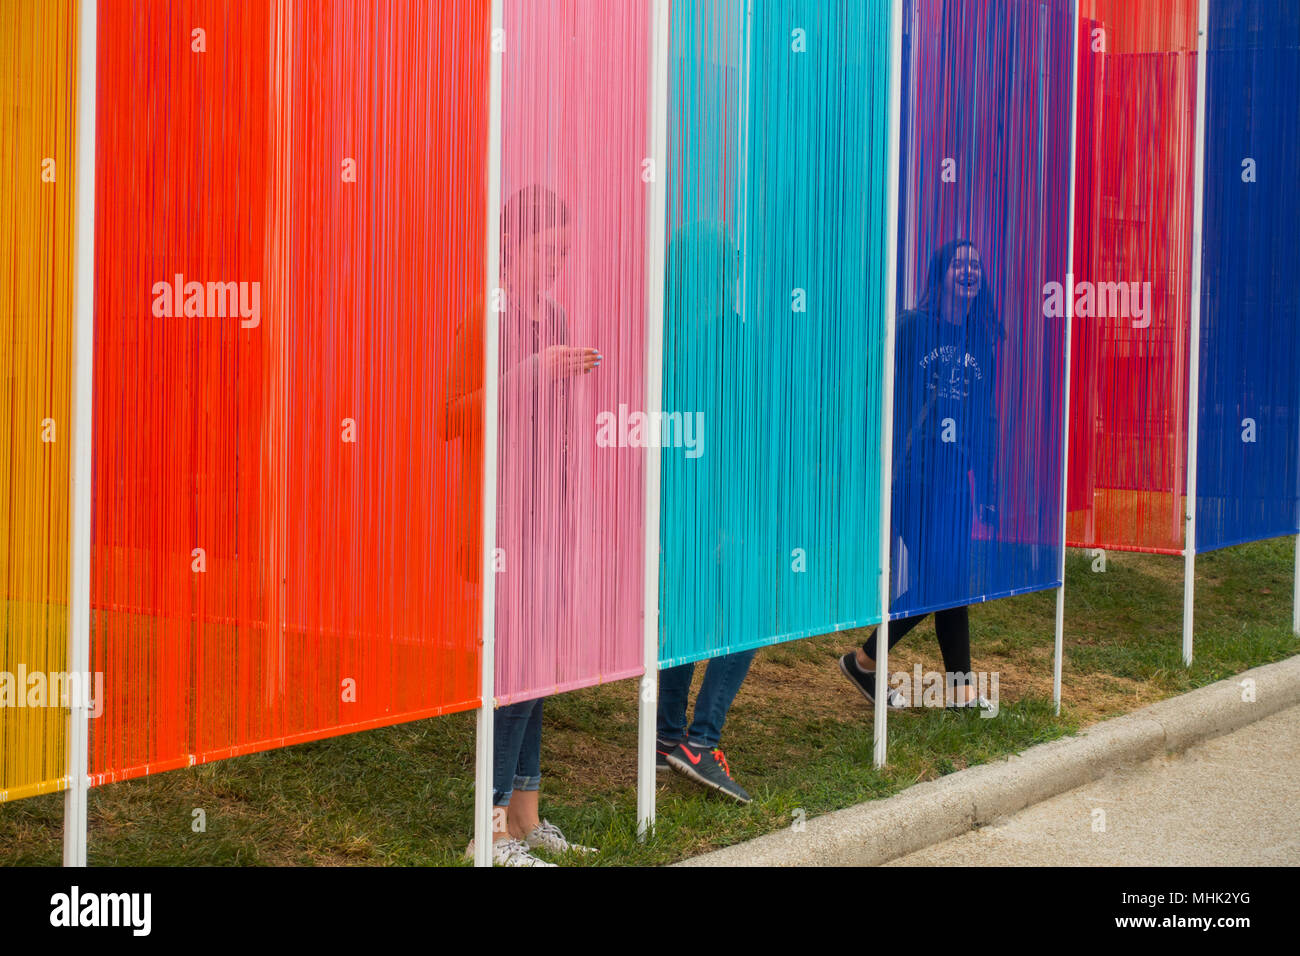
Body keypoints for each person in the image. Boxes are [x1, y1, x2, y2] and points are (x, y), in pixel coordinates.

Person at [444, 185, 601, 866]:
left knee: (539, 669)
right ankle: (491, 830)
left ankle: (529, 816)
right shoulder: (488, 312)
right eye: (547, 250)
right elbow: (450, 415)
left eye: (565, 251)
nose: (557, 263)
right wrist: (532, 371)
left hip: (548, 517)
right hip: (504, 519)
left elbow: (554, 428)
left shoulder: (558, 314)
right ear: (512, 245)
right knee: (513, 670)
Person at [840, 239, 999, 712]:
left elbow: (985, 417)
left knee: (948, 576)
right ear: (941, 273)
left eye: (976, 264)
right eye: (959, 263)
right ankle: (871, 662)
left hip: (954, 478)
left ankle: (952, 685)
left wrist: (988, 485)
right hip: (910, 474)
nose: (969, 271)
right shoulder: (912, 327)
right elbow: (869, 382)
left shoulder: (980, 341)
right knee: (942, 576)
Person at [655, 222, 756, 804]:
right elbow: (740, 426)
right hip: (716, 494)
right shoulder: (725, 331)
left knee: (688, 613)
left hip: (673, 491)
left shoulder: (662, 328)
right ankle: (700, 740)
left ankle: (669, 737)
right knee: (743, 613)